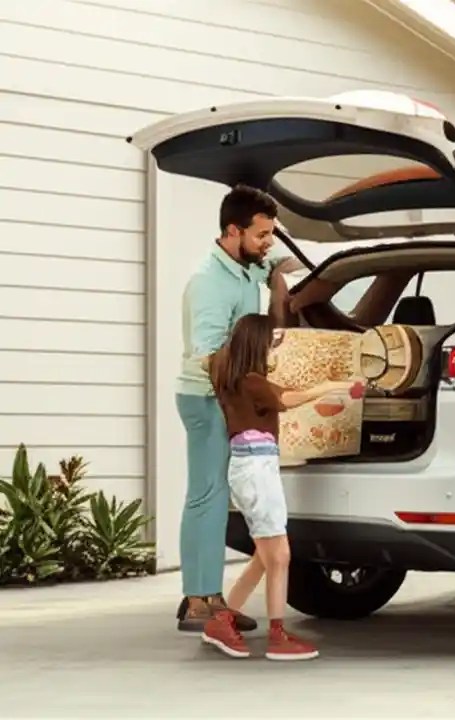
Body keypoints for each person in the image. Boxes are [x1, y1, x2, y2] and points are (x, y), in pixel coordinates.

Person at [175, 185, 302, 633]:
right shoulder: (210, 281)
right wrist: (251, 391)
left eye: (272, 233)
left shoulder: (249, 266)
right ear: (234, 231)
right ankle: (197, 599)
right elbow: (206, 352)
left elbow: (280, 267)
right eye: (263, 233)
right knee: (207, 495)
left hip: (233, 397)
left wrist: (286, 270)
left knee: (222, 498)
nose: (269, 242)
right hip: (209, 397)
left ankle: (215, 597)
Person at [204, 314, 358, 660]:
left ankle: (221, 620)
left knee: (264, 556)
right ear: (256, 344)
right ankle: (277, 636)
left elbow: (213, 356)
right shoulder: (253, 381)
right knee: (281, 555)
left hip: (246, 467)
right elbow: (291, 398)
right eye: (270, 342)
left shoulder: (225, 373)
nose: (274, 348)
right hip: (259, 468)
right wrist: (337, 385)